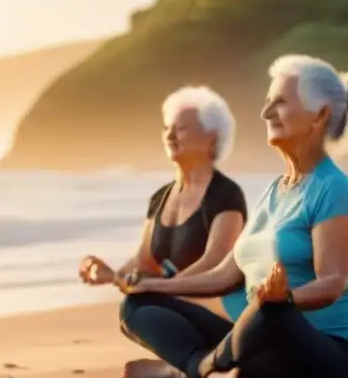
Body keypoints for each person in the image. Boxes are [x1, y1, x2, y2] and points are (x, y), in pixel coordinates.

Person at [117, 55, 348, 378]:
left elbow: (331, 283)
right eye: (268, 102)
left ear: (320, 115)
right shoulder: (273, 191)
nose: (266, 113)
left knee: (269, 311)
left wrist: (283, 298)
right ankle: (206, 370)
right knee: (138, 306)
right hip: (260, 335)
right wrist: (154, 285)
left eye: (280, 102)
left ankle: (192, 370)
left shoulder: (333, 189)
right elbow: (223, 276)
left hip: (335, 353)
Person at [78, 85, 247, 288]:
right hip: (163, 297)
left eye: (181, 128)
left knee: (141, 304)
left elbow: (215, 264)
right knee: (135, 304)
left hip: (205, 302)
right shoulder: (160, 198)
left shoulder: (226, 195)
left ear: (212, 138)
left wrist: (157, 288)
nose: (170, 136)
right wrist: (109, 273)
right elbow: (144, 264)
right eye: (167, 128)